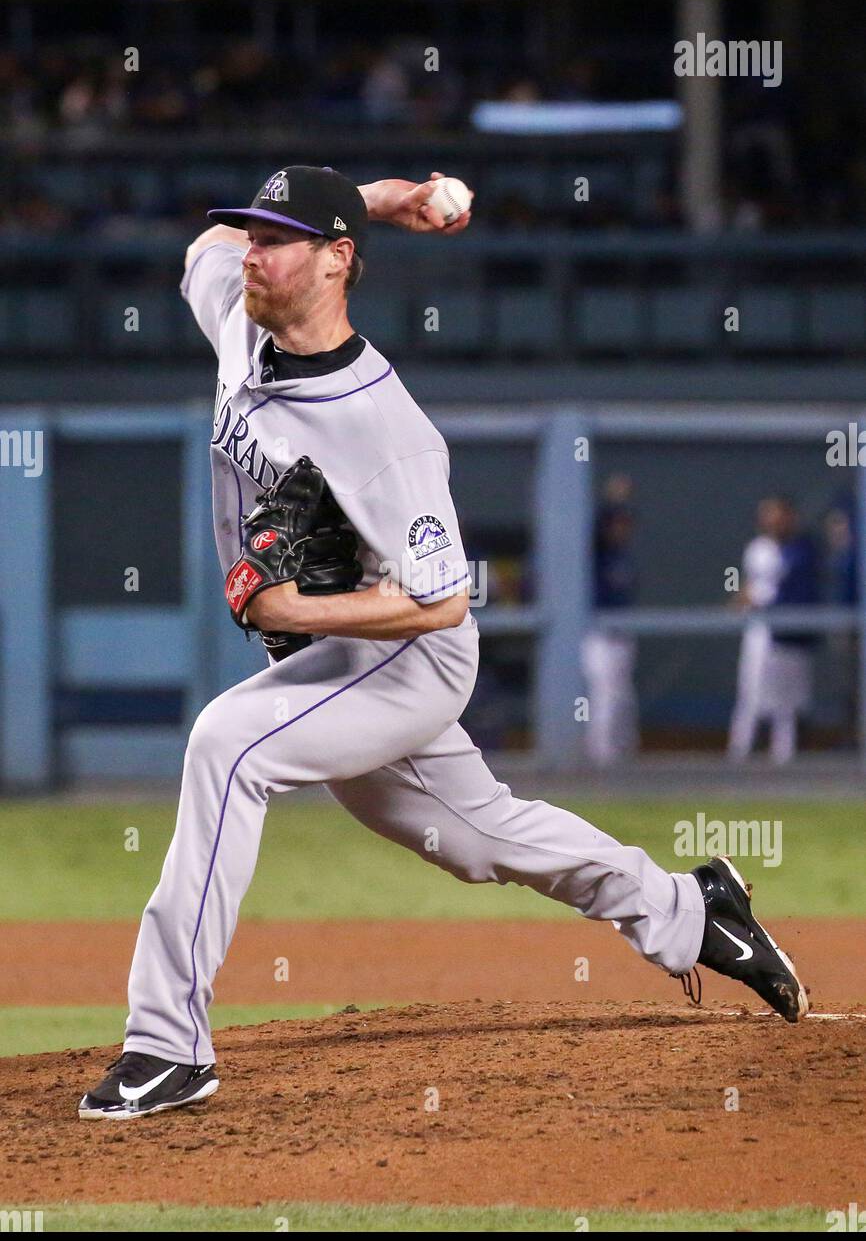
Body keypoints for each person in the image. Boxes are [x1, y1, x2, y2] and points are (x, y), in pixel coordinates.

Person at [79, 167, 808, 1119]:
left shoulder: (388, 432)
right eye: (253, 235)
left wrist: (295, 610)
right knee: (477, 837)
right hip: (329, 660)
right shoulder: (242, 319)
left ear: (336, 264)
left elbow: (445, 602)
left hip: (407, 659)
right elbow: (200, 252)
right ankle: (687, 907)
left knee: (227, 747)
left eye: (277, 238)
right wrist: (376, 198)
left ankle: (168, 1045)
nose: (251, 253)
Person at [728, 496, 819, 765]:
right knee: (750, 695)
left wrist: (756, 598)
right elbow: (746, 588)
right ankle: (738, 754)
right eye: (768, 514)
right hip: (760, 633)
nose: (773, 520)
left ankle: (784, 760)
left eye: (779, 514)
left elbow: (790, 590)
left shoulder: (803, 549)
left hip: (790, 634)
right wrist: (741, 598)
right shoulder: (757, 549)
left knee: (788, 703)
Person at [581, 476, 639, 765]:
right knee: (604, 696)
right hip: (598, 636)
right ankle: (600, 756)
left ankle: (621, 754)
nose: (622, 530)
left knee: (622, 697)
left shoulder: (622, 555)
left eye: (626, 525)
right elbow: (592, 530)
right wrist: (614, 501)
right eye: (617, 525)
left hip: (622, 634)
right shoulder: (598, 554)